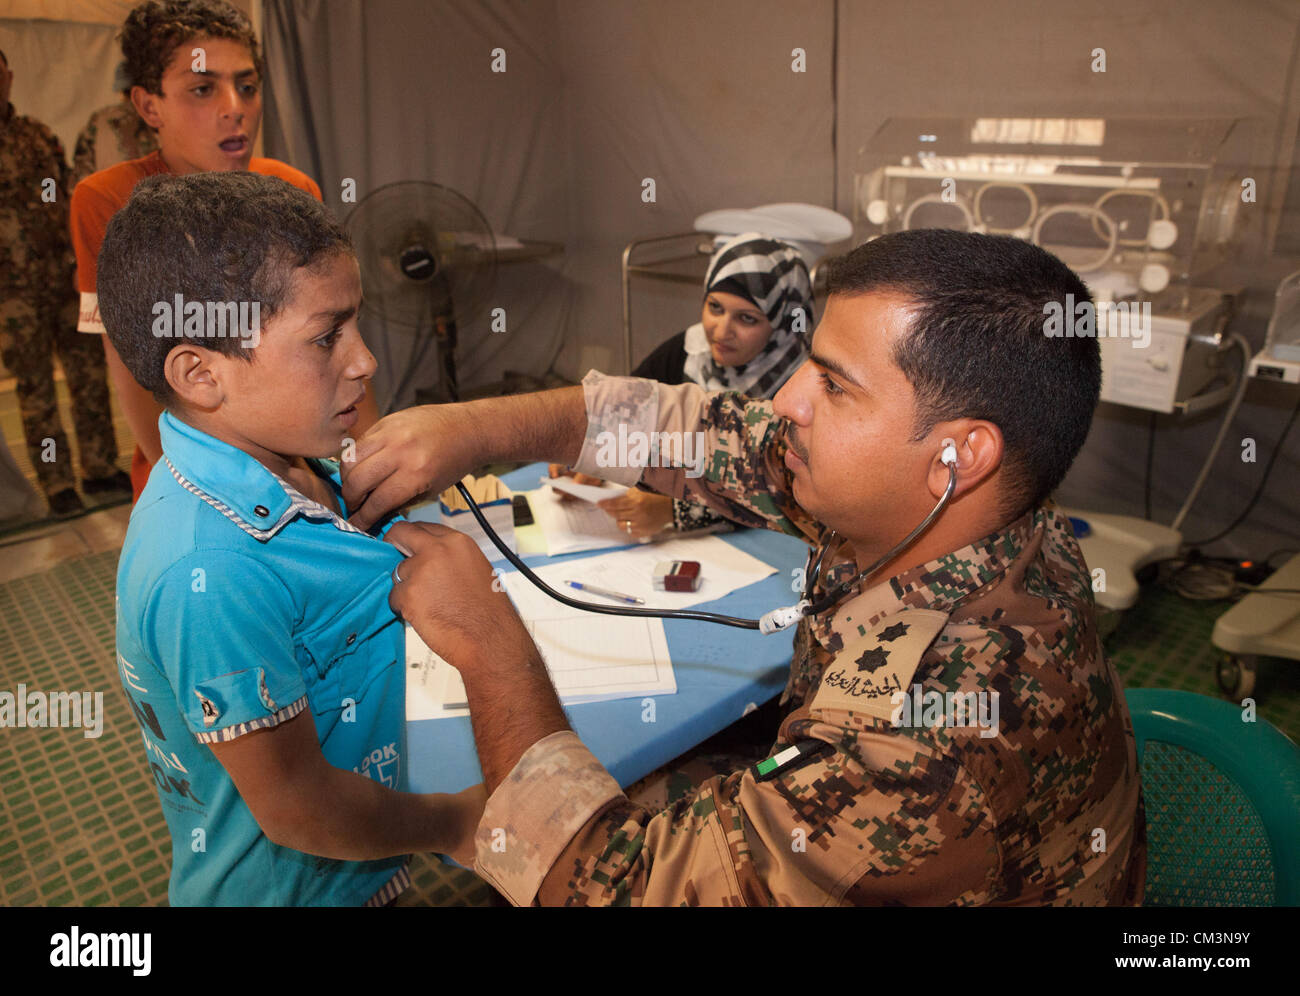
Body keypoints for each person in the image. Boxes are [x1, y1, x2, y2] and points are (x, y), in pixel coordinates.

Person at [344, 228, 1147, 906]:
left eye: (833, 385)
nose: (789, 401)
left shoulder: (940, 739)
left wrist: (488, 642)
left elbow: (606, 889)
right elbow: (695, 428)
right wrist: (479, 429)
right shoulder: (977, 509)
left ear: (960, 453)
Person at [97, 170, 482, 906]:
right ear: (201, 374)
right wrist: (454, 820)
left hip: (363, 868)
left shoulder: (290, 461)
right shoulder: (211, 571)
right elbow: (301, 808)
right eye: (327, 336)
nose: (365, 361)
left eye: (356, 324)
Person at [70, 0, 379, 504]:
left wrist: (363, 464)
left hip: (303, 467)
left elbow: (334, 338)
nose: (234, 106)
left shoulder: (290, 188)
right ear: (149, 107)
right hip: (193, 472)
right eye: (202, 88)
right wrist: (191, 490)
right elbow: (129, 366)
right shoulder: (108, 201)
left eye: (248, 86)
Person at [553, 232, 813, 539]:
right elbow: (625, 411)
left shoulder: (801, 390)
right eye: (715, 307)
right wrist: (594, 454)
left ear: (781, 324)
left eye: (746, 318)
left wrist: (673, 512)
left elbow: (791, 496)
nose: (721, 330)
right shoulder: (690, 351)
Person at [0, 48, 129, 517]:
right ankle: (56, 481)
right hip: (11, 294)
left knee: (90, 377)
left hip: (61, 278)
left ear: (9, 78)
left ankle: (99, 467)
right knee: (35, 389)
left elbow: (68, 195)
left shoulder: (37, 137)